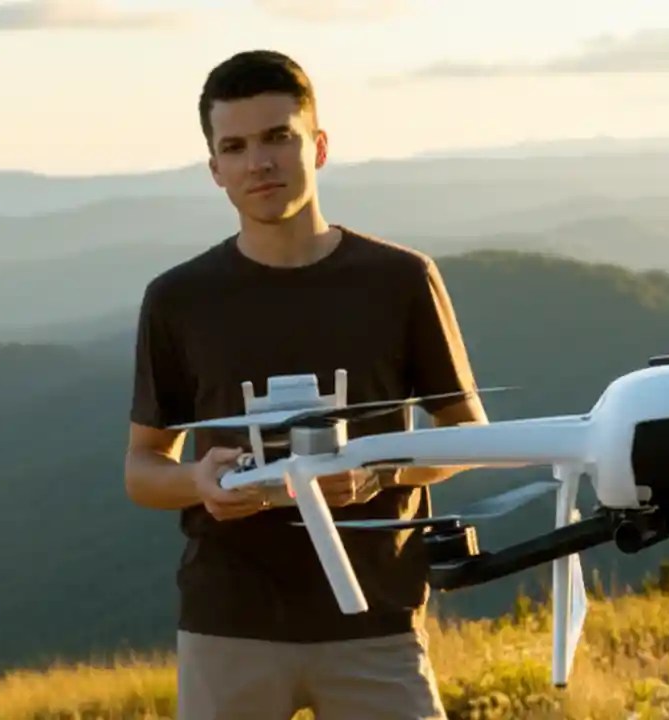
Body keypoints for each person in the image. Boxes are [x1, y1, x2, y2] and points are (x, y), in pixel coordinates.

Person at [122, 49, 486, 719]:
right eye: (234, 146)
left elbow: (470, 434)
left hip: (375, 619)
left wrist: (380, 470)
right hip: (229, 624)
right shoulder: (179, 300)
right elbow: (143, 469)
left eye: (277, 137)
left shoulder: (400, 280)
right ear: (215, 170)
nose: (258, 162)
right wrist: (202, 481)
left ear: (317, 147)